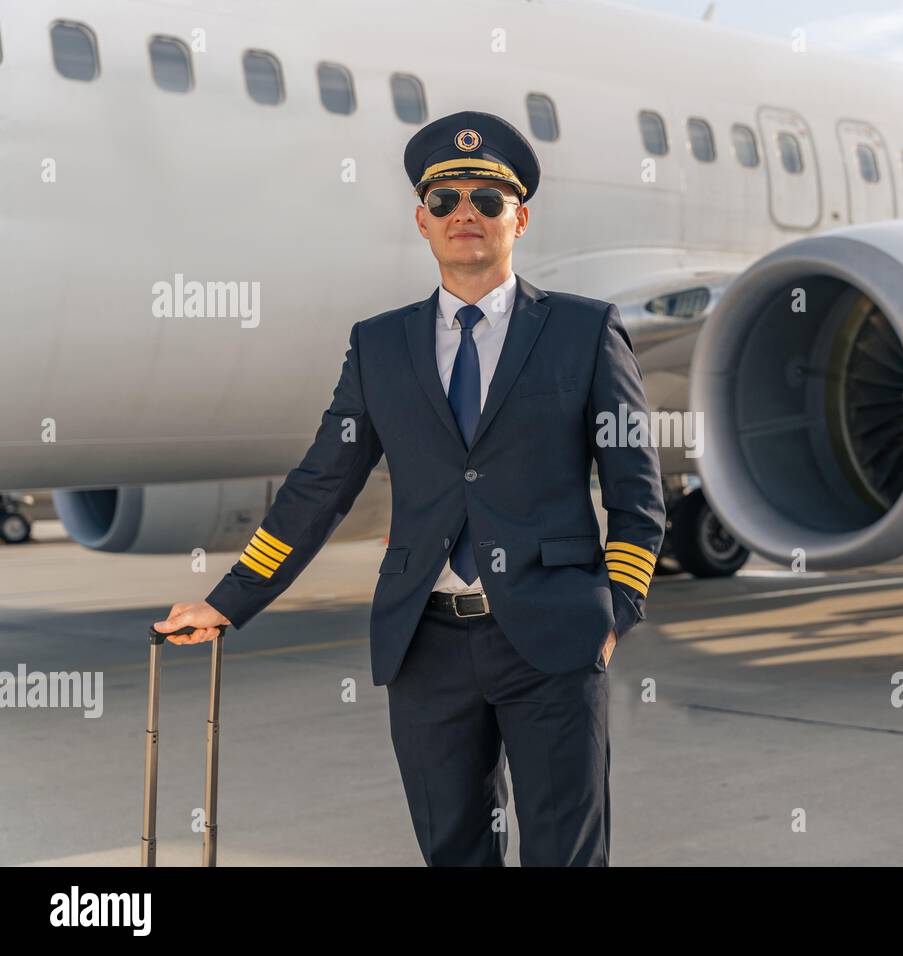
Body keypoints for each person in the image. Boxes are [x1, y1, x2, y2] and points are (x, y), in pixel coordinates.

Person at [153, 109, 666, 866]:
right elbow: (320, 484)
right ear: (420, 221)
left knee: (564, 851)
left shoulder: (583, 332)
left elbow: (637, 492)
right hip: (424, 646)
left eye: (487, 201)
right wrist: (230, 599)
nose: (466, 214)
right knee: (453, 850)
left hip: (554, 637)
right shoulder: (379, 345)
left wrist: (614, 612)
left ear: (518, 219)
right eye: (445, 201)